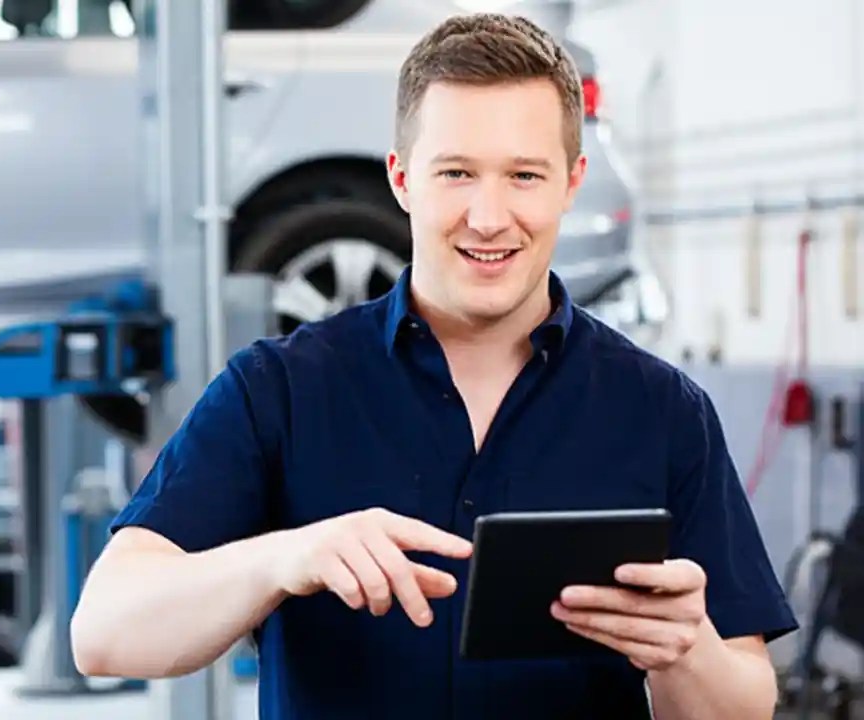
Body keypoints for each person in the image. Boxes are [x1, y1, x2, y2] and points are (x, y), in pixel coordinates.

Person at [70, 12, 796, 719]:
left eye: (524, 175)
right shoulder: (280, 390)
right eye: (455, 173)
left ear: (571, 183)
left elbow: (744, 703)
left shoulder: (662, 411)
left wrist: (687, 650)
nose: (489, 216)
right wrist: (284, 559)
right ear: (401, 178)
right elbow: (104, 631)